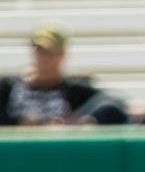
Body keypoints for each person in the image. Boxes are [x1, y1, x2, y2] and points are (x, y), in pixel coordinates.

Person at [0, 25, 129, 126]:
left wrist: (81, 122)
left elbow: (114, 102)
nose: (44, 58)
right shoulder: (9, 86)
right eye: (39, 51)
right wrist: (18, 122)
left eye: (50, 52)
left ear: (62, 54)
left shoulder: (74, 88)